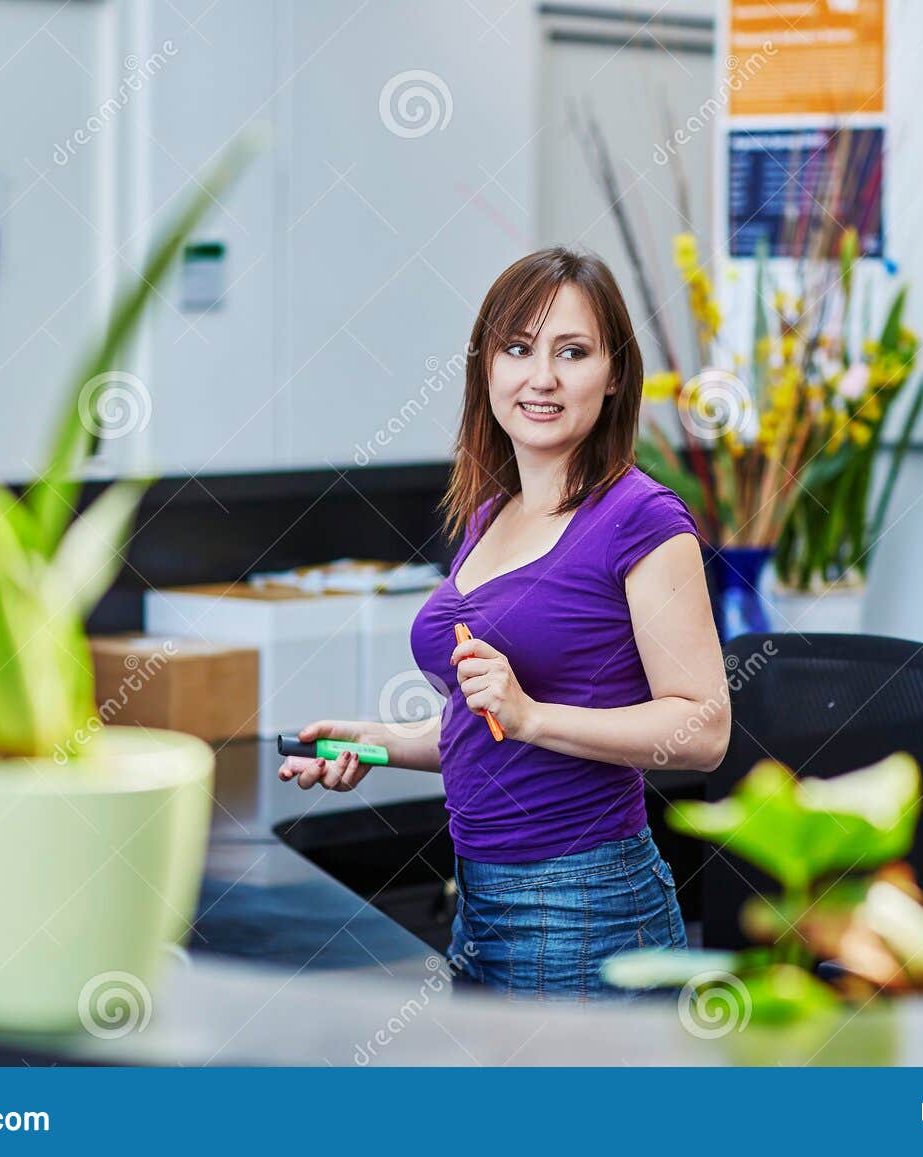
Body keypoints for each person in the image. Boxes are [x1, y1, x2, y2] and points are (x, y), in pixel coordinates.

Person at [281, 246, 729, 1001]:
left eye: (573, 351)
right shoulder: (492, 513)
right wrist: (383, 742)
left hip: (587, 904)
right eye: (518, 349)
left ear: (615, 373)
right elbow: (490, 726)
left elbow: (705, 729)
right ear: (485, 368)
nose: (541, 376)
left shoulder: (642, 519)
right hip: (481, 898)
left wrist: (531, 714)